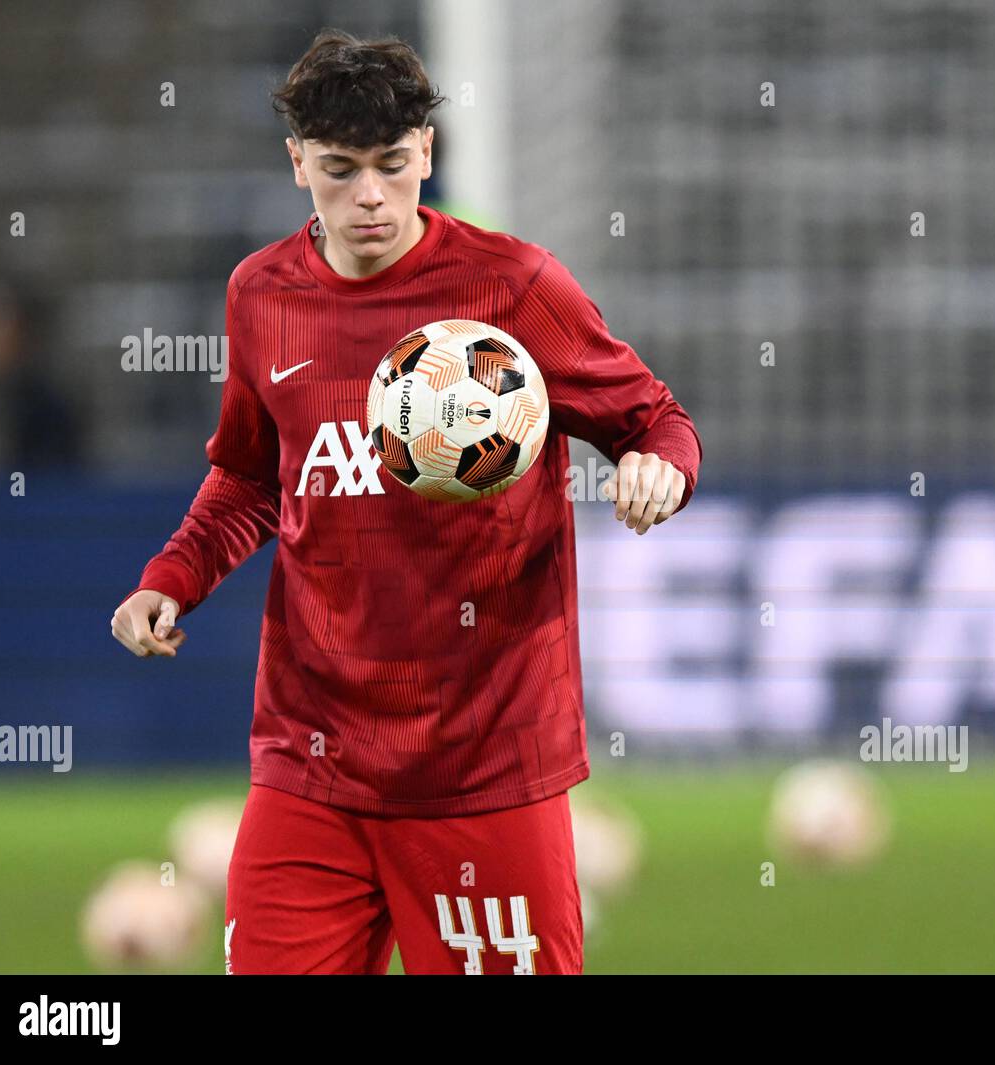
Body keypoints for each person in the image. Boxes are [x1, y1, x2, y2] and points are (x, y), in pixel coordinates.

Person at [109, 30, 702, 975]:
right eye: (340, 170)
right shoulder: (260, 295)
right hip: (313, 762)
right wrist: (174, 574)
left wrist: (655, 467)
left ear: (426, 152)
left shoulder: (513, 287)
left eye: (392, 165)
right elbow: (252, 475)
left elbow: (656, 419)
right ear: (298, 161)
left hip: (488, 764)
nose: (372, 196)